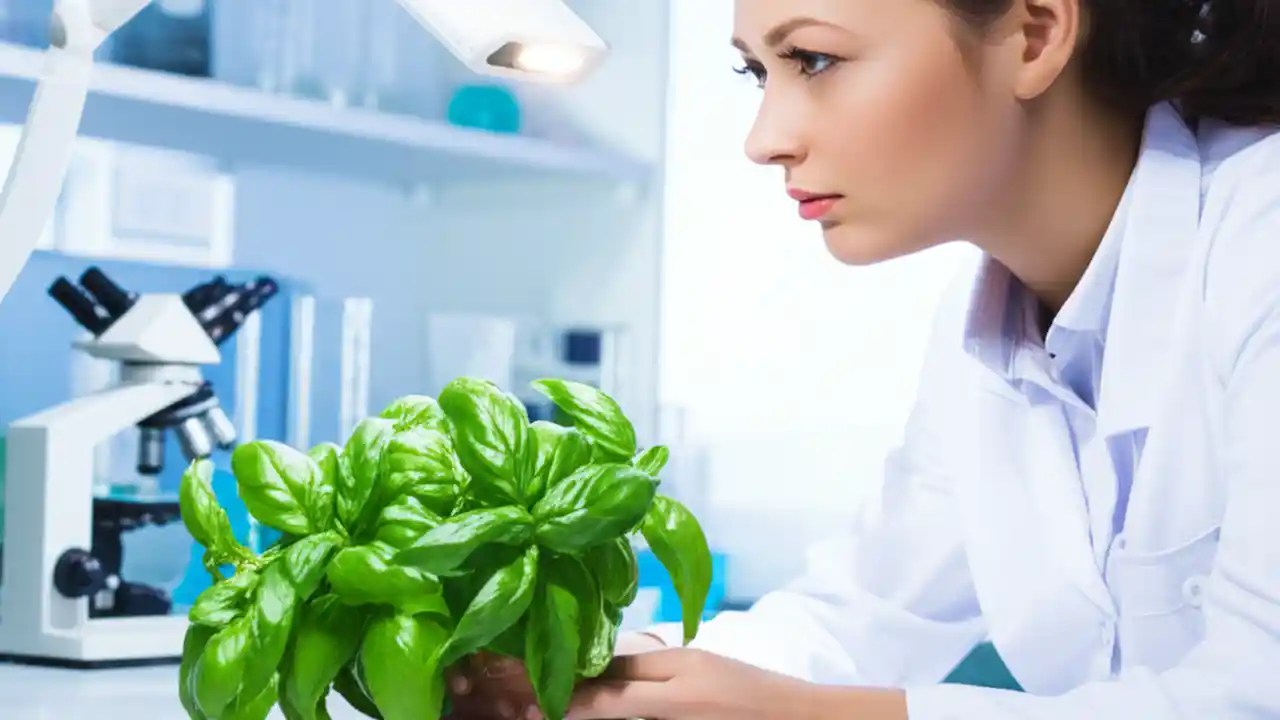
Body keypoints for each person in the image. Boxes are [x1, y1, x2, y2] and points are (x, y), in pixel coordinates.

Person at [448, 0, 1280, 717]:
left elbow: (1253, 694)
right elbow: (854, 622)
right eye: (756, 74)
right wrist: (580, 677)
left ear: (1033, 34)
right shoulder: (985, 335)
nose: (764, 139)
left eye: (815, 59)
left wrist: (815, 716)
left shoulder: (1260, 242)